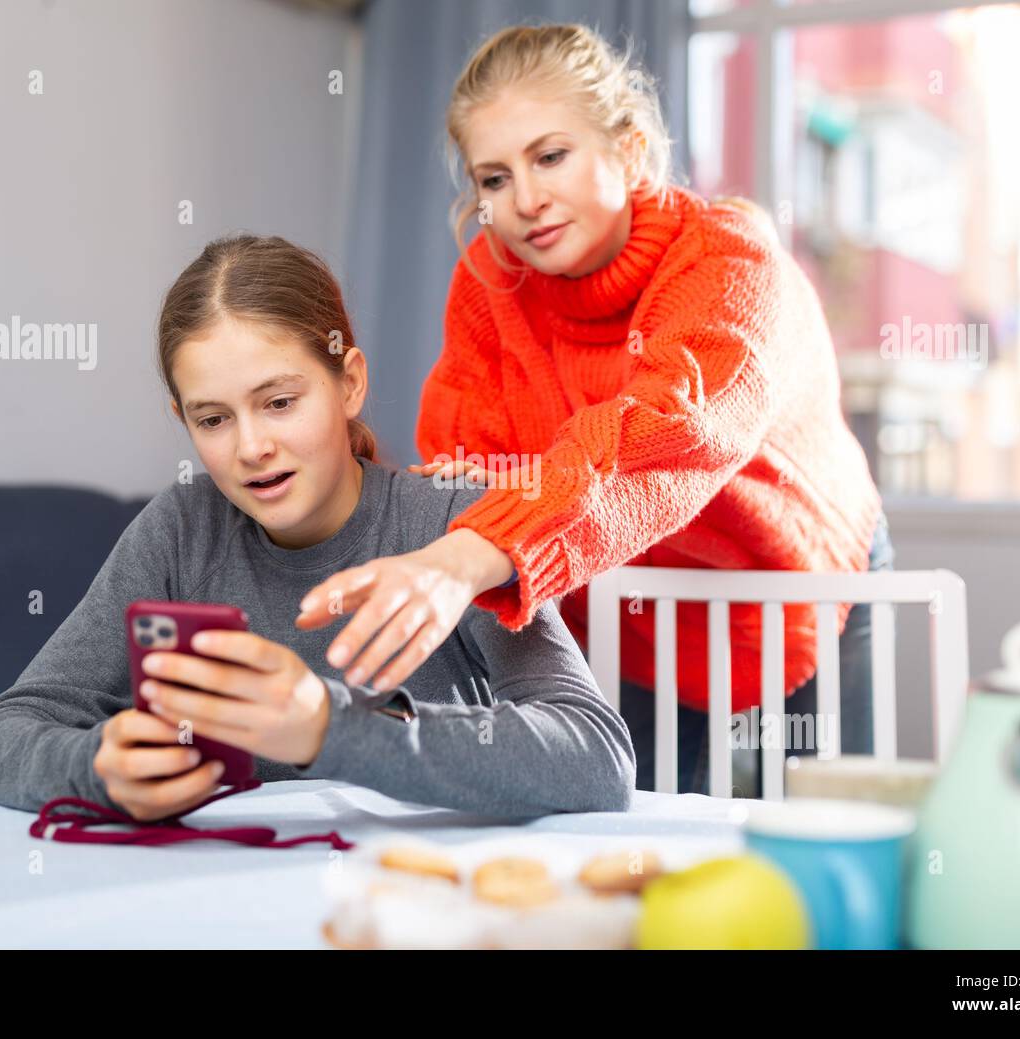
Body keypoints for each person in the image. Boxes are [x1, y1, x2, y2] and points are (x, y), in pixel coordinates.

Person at [294, 24, 891, 795]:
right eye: (495, 178)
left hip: (796, 571)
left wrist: (463, 557)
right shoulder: (490, 283)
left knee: (835, 833)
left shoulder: (731, 263)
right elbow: (466, 469)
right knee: (625, 827)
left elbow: (664, 434)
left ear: (629, 146)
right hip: (630, 585)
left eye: (550, 156)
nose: (527, 200)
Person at [0, 235, 635, 820]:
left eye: (279, 402)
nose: (251, 446)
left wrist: (330, 728)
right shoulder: (182, 530)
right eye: (213, 419)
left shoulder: (455, 525)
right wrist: (98, 768)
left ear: (349, 384)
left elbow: (597, 757)